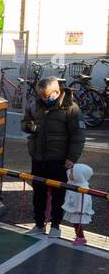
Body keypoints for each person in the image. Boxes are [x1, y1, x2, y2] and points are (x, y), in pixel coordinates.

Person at [22, 77, 86, 235]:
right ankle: (38, 224)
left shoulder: (71, 108)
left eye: (47, 95)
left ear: (57, 92)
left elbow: (78, 135)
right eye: (41, 95)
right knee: (38, 193)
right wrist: (29, 127)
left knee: (59, 194)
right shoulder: (34, 104)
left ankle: (56, 226)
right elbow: (25, 121)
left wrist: (72, 158)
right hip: (38, 157)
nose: (44, 98)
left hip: (59, 159)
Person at [62, 163, 95, 246]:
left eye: (73, 172)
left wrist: (81, 209)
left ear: (79, 175)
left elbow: (85, 200)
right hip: (75, 208)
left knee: (77, 223)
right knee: (76, 223)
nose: (70, 174)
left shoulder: (83, 187)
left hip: (79, 210)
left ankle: (81, 238)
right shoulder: (74, 183)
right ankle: (79, 237)